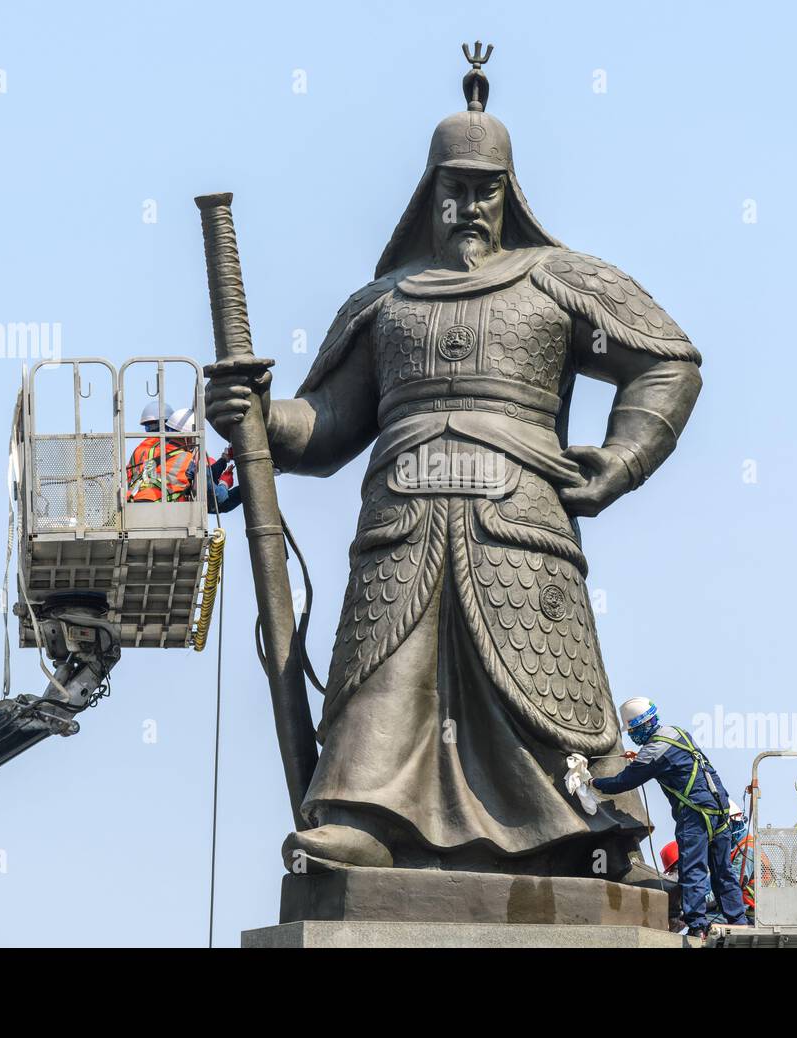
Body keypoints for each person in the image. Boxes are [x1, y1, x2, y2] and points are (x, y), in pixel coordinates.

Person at [203, 48, 703, 878]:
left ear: (510, 195)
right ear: (428, 192)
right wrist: (255, 417)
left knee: (544, 688)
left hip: (519, 520)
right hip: (402, 521)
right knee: (384, 684)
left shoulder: (556, 282)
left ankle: (582, 836)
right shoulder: (385, 304)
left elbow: (668, 360)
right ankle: (364, 820)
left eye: (485, 188)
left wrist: (622, 460)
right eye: (455, 187)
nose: (469, 204)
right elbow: (326, 426)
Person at [590, 698, 750, 938]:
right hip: (719, 811)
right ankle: (738, 920)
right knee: (722, 870)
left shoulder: (653, 752)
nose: (632, 735)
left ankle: (697, 925)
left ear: (639, 726)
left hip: (695, 815)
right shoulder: (677, 733)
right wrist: (642, 760)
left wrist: (593, 783)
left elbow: (623, 782)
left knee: (692, 869)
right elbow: (673, 762)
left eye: (631, 730)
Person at [166, 407, 242, 514]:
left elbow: (205, 476)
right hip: (177, 512)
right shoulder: (187, 461)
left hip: (163, 506)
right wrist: (224, 483)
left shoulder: (163, 453)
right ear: (188, 437)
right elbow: (218, 498)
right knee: (220, 503)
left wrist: (224, 459)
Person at [126, 401, 196, 502]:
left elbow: (129, 476)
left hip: (134, 499)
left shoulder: (139, 449)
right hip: (161, 502)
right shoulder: (170, 449)